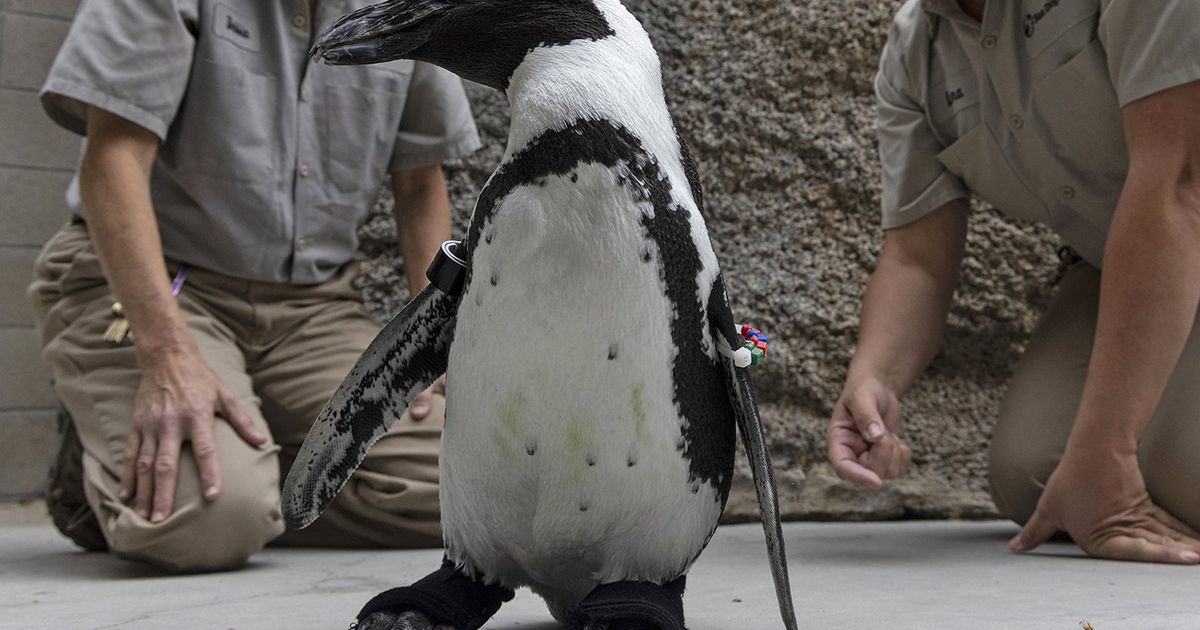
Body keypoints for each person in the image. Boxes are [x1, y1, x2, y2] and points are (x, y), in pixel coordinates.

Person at [28, 0, 480, 572]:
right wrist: (165, 354)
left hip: (312, 311)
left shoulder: (401, 10)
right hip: (162, 288)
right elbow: (113, 158)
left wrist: (429, 337)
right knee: (206, 522)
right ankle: (113, 472)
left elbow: (419, 184)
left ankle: (251, 468)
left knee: (462, 493)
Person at [828, 0, 1200, 564]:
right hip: (1117, 265)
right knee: (1032, 473)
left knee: (1167, 471)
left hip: (1181, 216)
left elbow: (1176, 185)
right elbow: (917, 257)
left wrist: (1108, 450)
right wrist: (874, 379)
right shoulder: (916, 49)